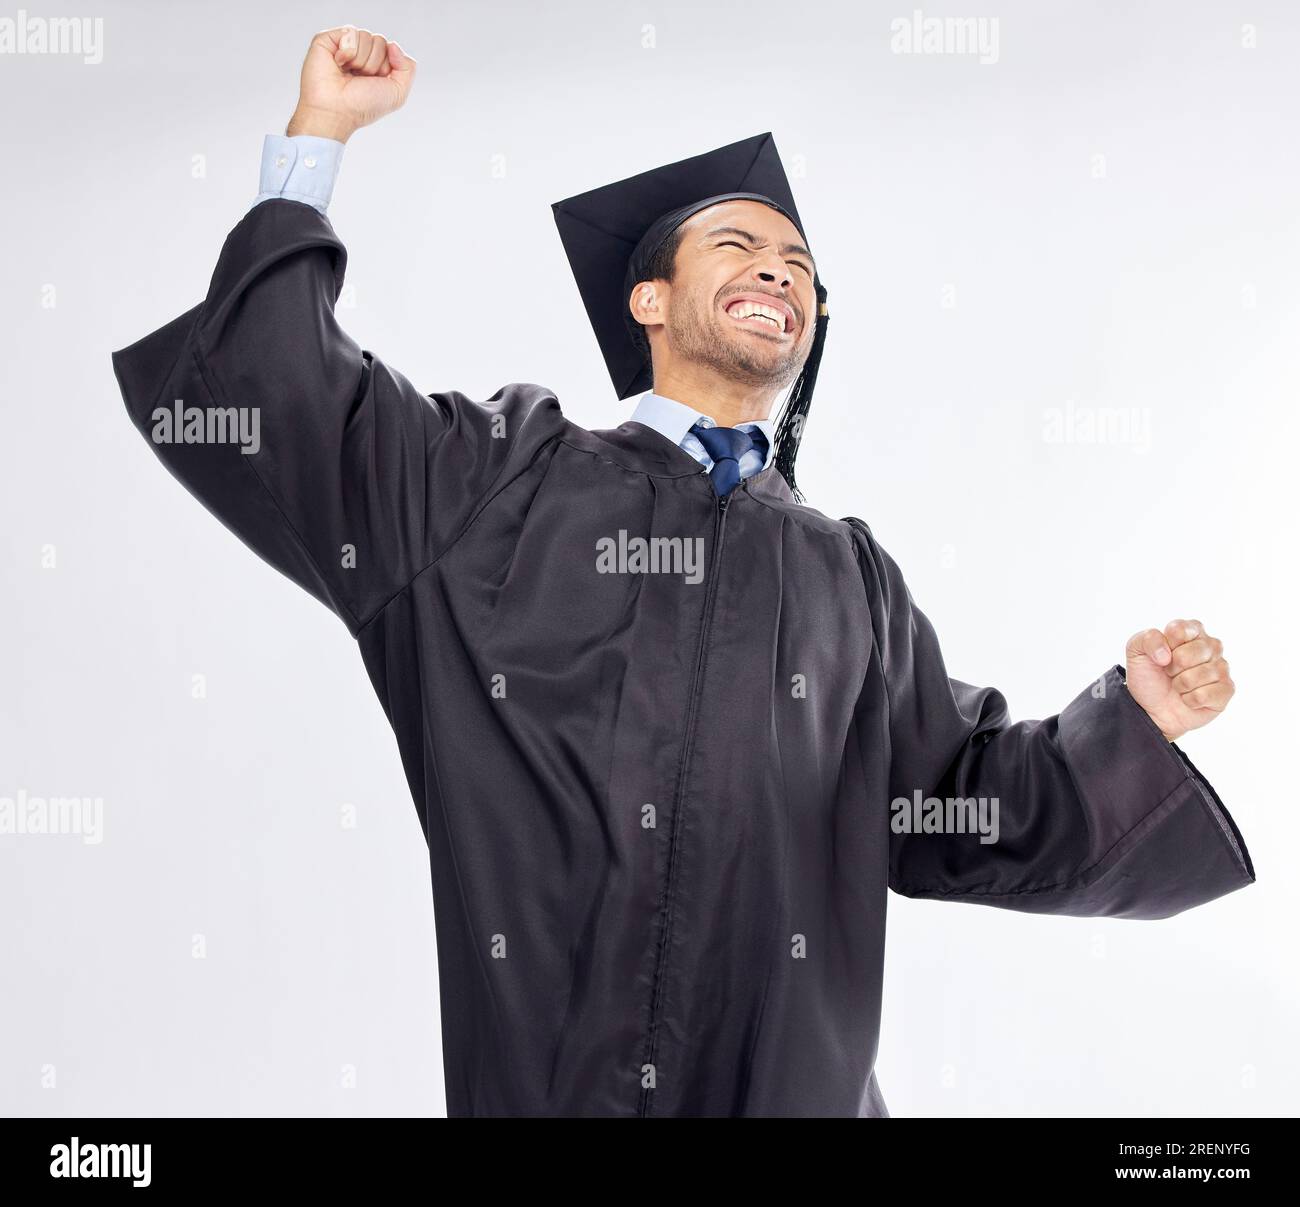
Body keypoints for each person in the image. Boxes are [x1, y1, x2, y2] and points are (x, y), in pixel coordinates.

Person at [111, 25, 1253, 1118]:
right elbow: (292, 404)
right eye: (739, 247)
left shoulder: (844, 576)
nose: (778, 271)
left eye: (798, 263)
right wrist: (320, 136)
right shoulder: (499, 482)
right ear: (647, 300)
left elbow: (952, 795)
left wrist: (1128, 726)